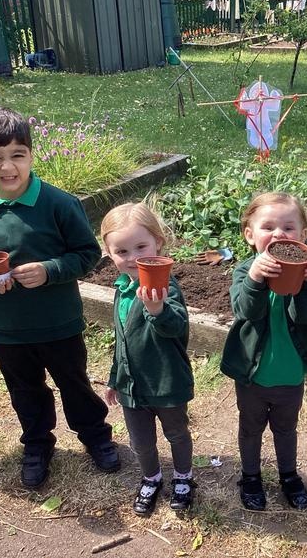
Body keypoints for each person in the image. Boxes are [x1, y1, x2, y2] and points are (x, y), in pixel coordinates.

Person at [0, 106, 117, 489]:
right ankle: (37, 444)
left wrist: (50, 270)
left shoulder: (60, 204)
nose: (7, 167)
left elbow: (87, 254)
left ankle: (95, 435)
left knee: (74, 382)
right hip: (9, 329)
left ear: (31, 154)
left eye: (17, 155)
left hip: (59, 323)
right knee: (25, 391)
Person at [221, 192, 307, 511]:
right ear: (250, 234)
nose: (278, 234)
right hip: (253, 376)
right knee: (250, 428)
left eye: (288, 227)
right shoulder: (245, 271)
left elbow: (305, 316)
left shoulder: (305, 273)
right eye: (267, 226)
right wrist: (257, 278)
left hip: (289, 375)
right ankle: (251, 476)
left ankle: (289, 476)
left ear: (302, 236)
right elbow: (246, 310)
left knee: (286, 429)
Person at [101, 202, 196, 515]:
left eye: (141, 246)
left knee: (177, 433)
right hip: (133, 388)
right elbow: (122, 342)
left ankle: (183, 477)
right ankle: (151, 478)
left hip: (166, 383)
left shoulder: (165, 287)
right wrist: (116, 379)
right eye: (122, 251)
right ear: (109, 252)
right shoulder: (121, 289)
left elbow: (178, 326)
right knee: (141, 442)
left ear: (158, 243)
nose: (133, 257)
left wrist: (158, 310)